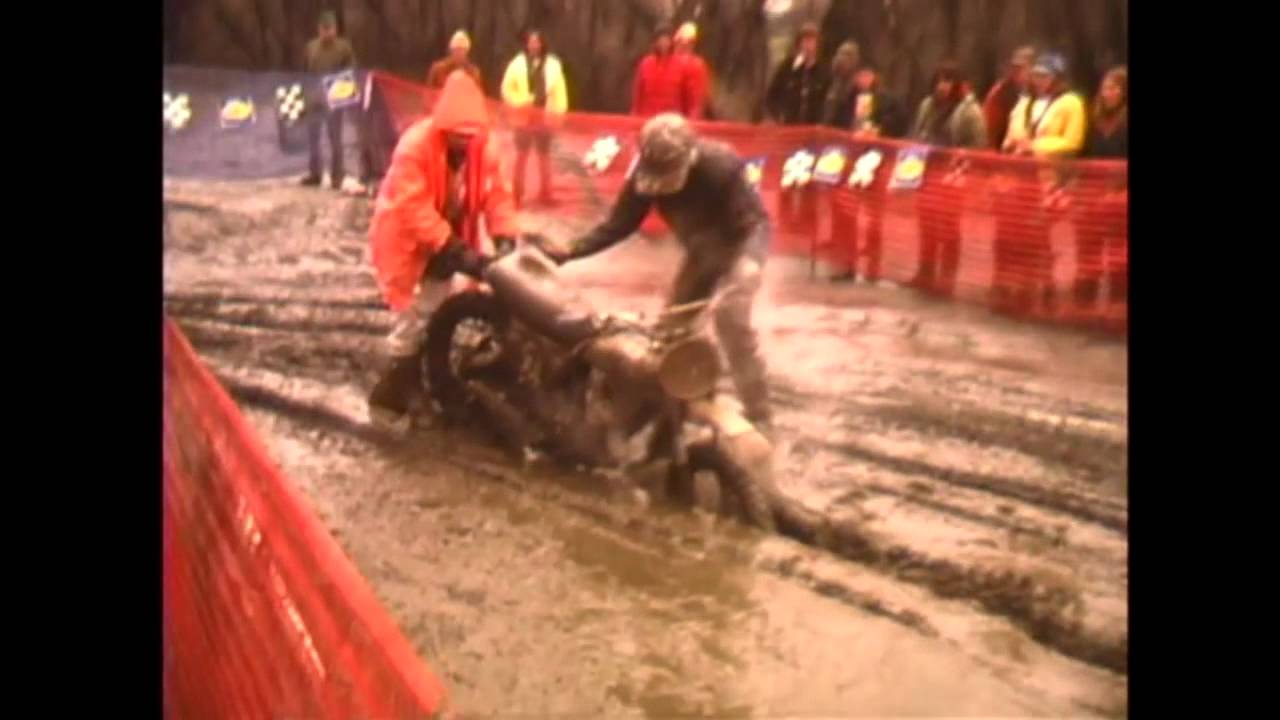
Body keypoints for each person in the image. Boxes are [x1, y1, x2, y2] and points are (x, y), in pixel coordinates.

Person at [536, 114, 774, 431]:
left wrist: (750, 264)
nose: (662, 182)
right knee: (670, 333)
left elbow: (755, 222)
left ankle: (759, 414)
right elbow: (618, 225)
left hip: (736, 247)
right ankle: (680, 409)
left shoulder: (720, 166)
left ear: (688, 158)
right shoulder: (645, 177)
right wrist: (571, 250)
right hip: (701, 254)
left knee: (730, 318)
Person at [365, 70, 520, 427]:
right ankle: (397, 390)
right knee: (410, 315)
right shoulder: (414, 147)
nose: (463, 145)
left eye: (469, 138)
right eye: (456, 138)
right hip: (405, 240)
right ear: (443, 128)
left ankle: (414, 379)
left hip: (447, 236)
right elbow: (412, 207)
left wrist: (505, 239)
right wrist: (457, 250)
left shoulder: (484, 148)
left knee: (434, 310)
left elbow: (498, 196)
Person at [997, 51, 1086, 315]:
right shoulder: (1025, 102)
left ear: (1058, 78)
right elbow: (1012, 130)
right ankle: (1014, 287)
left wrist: (1035, 146)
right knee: (1016, 233)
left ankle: (1044, 289)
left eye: (1045, 76)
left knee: (1043, 235)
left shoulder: (1072, 103)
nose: (1039, 81)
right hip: (1019, 176)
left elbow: (1072, 141)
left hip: (1050, 176)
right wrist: (1011, 143)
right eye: (1037, 75)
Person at [908, 60, 987, 296]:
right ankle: (926, 270)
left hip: (954, 174)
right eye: (939, 80)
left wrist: (962, 160)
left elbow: (978, 144)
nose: (942, 86)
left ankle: (947, 278)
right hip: (928, 170)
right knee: (927, 223)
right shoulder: (927, 105)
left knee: (949, 227)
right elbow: (917, 132)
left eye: (948, 81)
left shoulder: (969, 110)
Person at [827, 65, 907, 282]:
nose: (863, 79)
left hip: (876, 160)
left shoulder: (887, 100)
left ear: (874, 76)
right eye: (859, 75)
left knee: (874, 216)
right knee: (847, 213)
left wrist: (879, 130)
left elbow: (899, 122)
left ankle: (874, 266)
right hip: (851, 159)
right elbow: (835, 123)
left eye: (867, 74)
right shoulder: (847, 100)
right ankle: (847, 265)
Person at [1075, 66, 1128, 310]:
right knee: (1088, 245)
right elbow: (1084, 154)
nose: (1108, 93)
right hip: (1093, 192)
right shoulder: (1093, 119)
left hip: (1121, 195)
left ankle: (1117, 301)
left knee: (1118, 251)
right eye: (1105, 88)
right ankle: (1085, 297)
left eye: (1114, 88)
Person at [501, 27, 569, 207]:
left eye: (537, 41)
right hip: (524, 116)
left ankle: (546, 194)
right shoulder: (516, 64)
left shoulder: (553, 65)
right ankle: (517, 194)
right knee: (521, 156)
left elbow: (560, 92)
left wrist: (558, 112)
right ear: (526, 44)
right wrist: (522, 102)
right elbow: (506, 89)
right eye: (531, 42)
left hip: (545, 117)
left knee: (544, 156)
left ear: (542, 44)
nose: (534, 45)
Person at [302, 10, 358, 189]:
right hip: (314, 97)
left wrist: (341, 90)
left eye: (330, 28)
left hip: (334, 98)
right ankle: (315, 173)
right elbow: (304, 71)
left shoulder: (344, 47)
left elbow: (351, 72)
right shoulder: (311, 47)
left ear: (335, 29)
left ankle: (337, 175)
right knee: (313, 137)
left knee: (335, 138)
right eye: (323, 29)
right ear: (319, 29)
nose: (326, 32)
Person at [764, 22, 828, 125]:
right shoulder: (787, 68)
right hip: (788, 128)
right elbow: (771, 96)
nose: (808, 45)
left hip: (812, 131)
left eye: (811, 41)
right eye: (805, 41)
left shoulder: (823, 72)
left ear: (817, 44)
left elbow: (827, 103)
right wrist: (776, 116)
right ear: (799, 43)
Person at [982, 46, 1035, 150]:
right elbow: (990, 128)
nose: (1016, 72)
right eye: (1014, 68)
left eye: (1021, 68)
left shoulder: (1038, 93)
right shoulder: (1000, 92)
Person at [632, 24, 686, 118]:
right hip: (647, 116)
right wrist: (634, 115)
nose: (663, 43)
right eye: (660, 40)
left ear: (671, 42)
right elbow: (638, 93)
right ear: (655, 42)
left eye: (666, 39)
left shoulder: (681, 65)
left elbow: (686, 95)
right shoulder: (645, 63)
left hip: (671, 118)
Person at [674, 22, 712, 119]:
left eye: (688, 43)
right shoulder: (668, 62)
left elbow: (699, 97)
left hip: (686, 118)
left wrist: (693, 119)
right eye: (680, 43)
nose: (683, 46)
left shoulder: (697, 65)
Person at [820, 40, 860, 126]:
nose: (842, 58)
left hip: (844, 132)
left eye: (848, 55)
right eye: (840, 53)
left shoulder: (857, 88)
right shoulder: (828, 82)